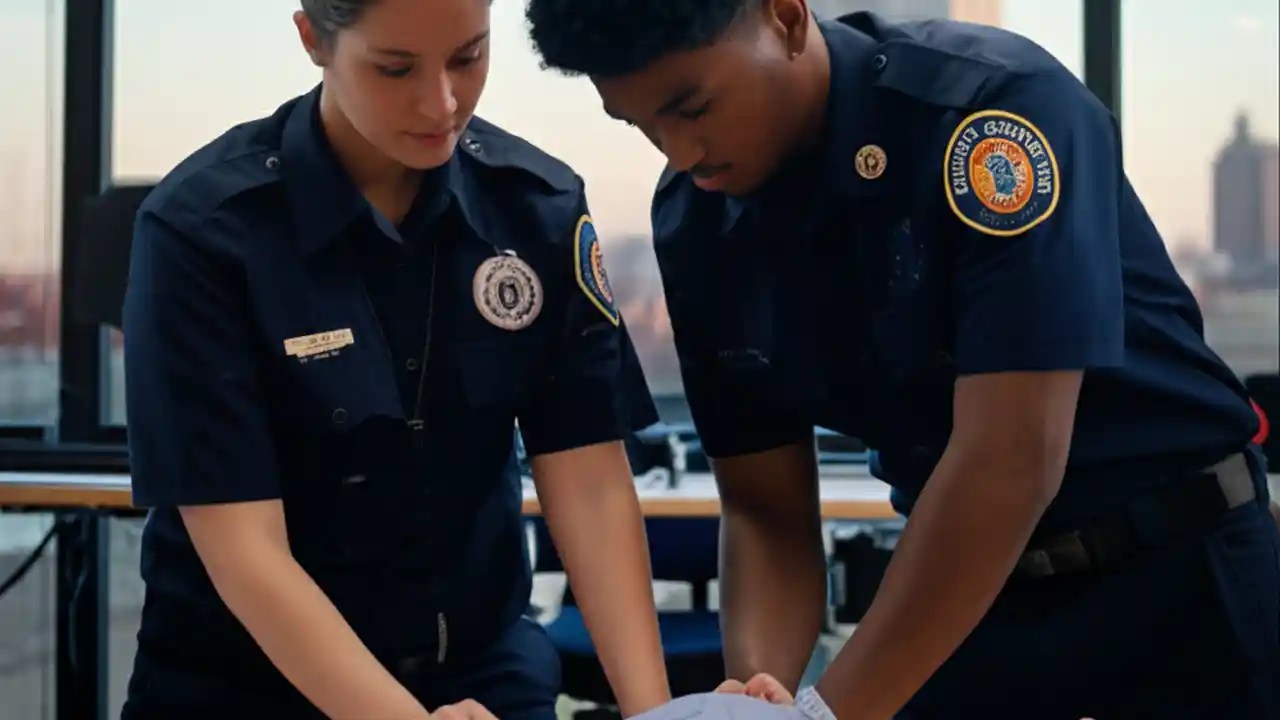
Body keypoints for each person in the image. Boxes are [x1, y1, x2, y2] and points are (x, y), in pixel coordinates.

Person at [525, 1, 1280, 718]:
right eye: (641, 125)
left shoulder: (992, 114)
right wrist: (757, 693)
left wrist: (831, 711)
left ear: (785, 17)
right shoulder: (699, 221)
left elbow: (1009, 464)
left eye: (692, 110)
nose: (680, 154)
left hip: (1182, 571)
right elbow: (765, 509)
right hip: (967, 602)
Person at [120, 1, 674, 718]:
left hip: (481, 674)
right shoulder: (205, 232)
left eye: (468, 58)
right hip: (246, 685)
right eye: (395, 68)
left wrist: (658, 711)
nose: (442, 102)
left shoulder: (535, 209)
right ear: (314, 39)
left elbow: (590, 482)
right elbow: (246, 552)